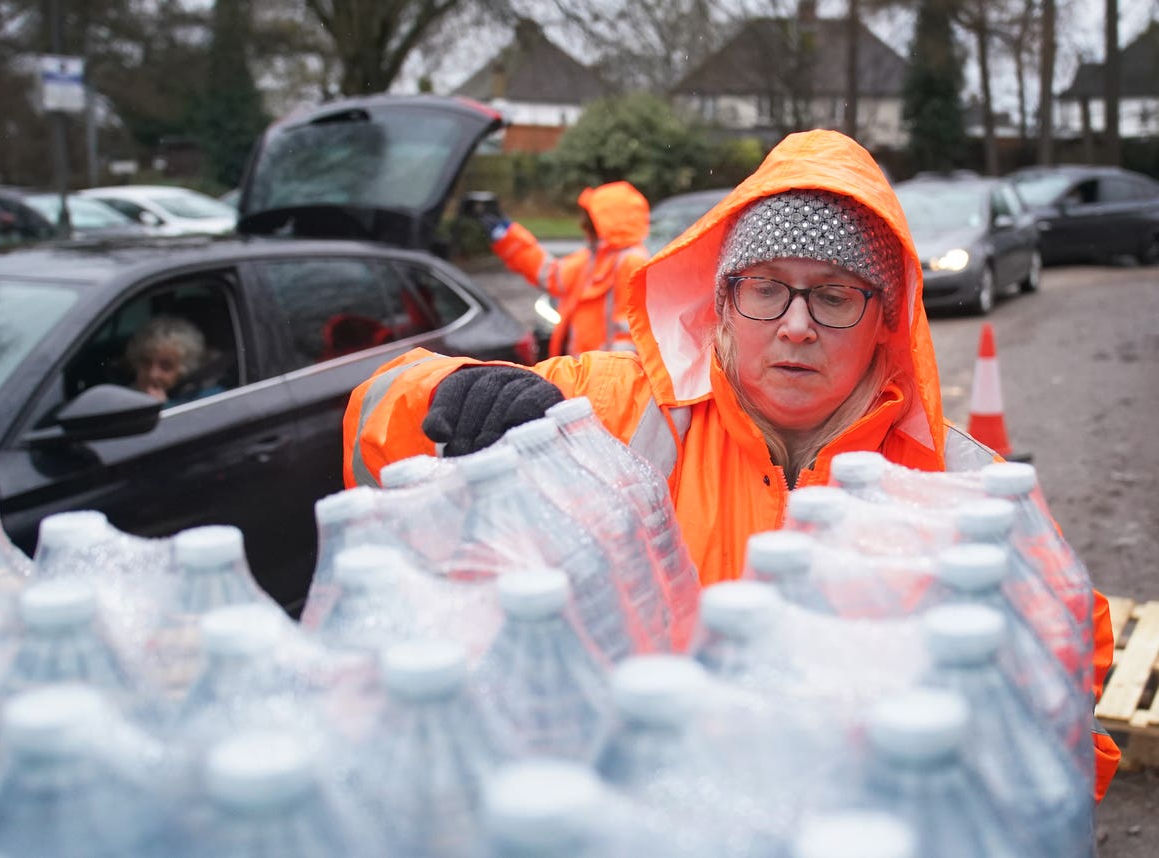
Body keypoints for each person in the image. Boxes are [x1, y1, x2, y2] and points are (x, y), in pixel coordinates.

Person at [342, 129, 1118, 801]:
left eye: (835, 296)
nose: (796, 326)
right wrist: (450, 394)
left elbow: (1069, 675)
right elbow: (373, 420)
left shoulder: (960, 486)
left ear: (885, 319)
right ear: (722, 300)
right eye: (767, 290)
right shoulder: (616, 407)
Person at [475, 181, 649, 356]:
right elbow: (549, 273)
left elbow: (631, 334)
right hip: (583, 372)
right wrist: (505, 235)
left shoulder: (631, 262)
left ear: (608, 221)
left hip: (604, 376)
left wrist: (613, 376)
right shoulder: (593, 258)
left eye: (589, 217)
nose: (582, 223)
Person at [124, 314, 207, 404]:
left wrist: (163, 407)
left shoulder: (197, 400)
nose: (152, 374)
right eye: (146, 362)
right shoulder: (122, 395)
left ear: (183, 371)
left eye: (165, 366)